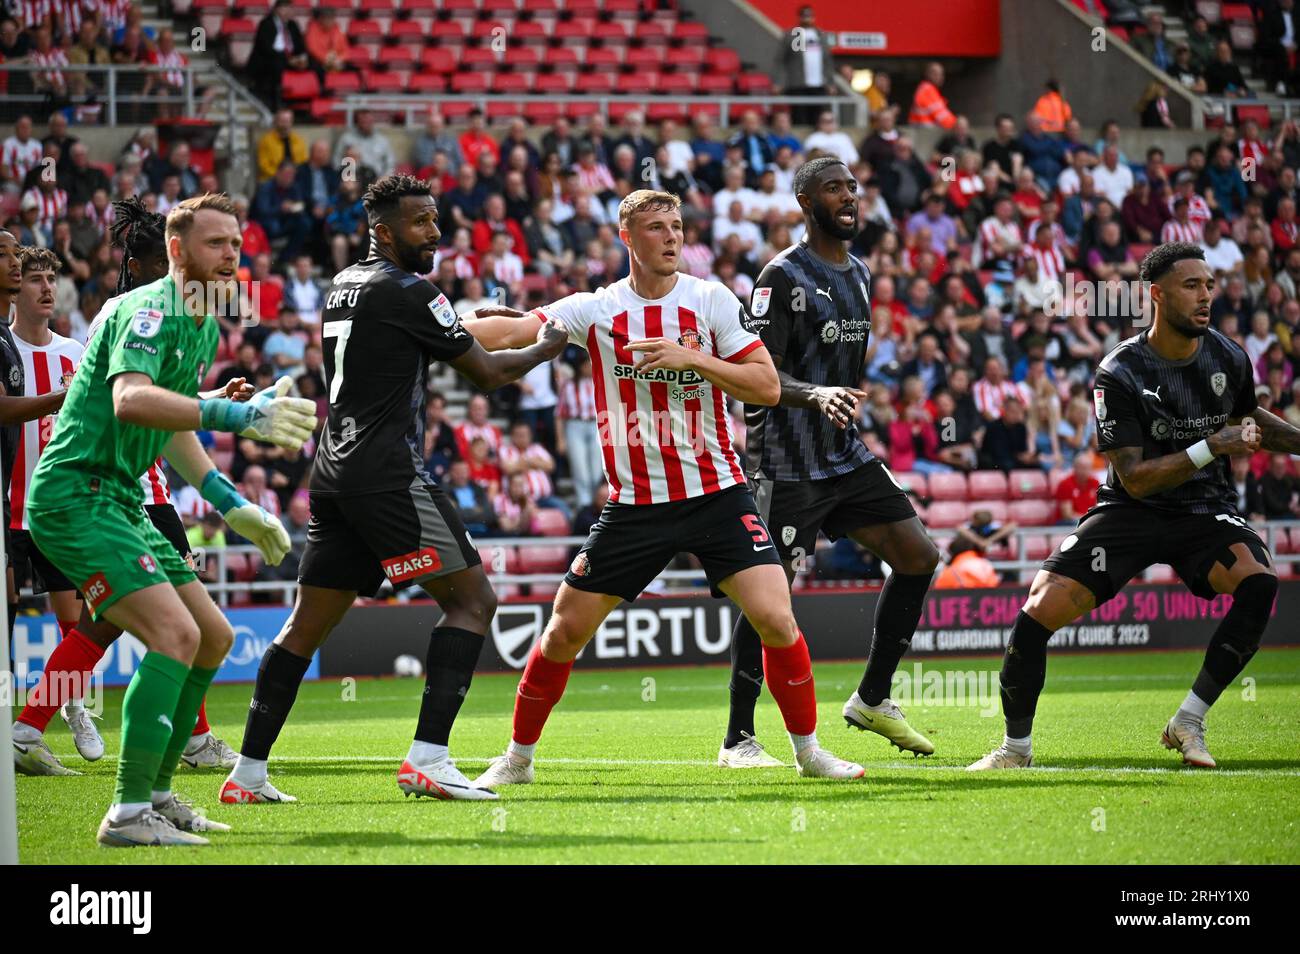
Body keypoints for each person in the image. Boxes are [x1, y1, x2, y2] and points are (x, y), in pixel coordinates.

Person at [464, 189, 868, 784]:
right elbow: (512, 330)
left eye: (677, 226)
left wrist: (692, 359)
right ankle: (518, 759)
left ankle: (810, 754)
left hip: (717, 493)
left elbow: (764, 386)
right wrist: (437, 323)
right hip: (636, 505)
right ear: (628, 237)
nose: (672, 237)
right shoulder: (595, 310)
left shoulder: (709, 300)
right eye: (657, 228)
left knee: (776, 618)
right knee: (564, 630)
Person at [220, 175, 568, 805]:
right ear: (383, 229)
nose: (435, 232)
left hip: (334, 471)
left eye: (436, 220)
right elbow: (486, 375)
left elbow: (420, 344)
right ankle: (429, 760)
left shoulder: (346, 285)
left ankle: (247, 774)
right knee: (473, 602)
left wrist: (473, 323)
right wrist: (546, 347)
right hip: (387, 473)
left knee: (303, 627)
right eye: (420, 223)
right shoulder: (411, 290)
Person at [21, 193, 312, 846]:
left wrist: (232, 503)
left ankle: (156, 796)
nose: (231, 255)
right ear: (177, 250)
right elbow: (130, 401)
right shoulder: (151, 310)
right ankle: (125, 815)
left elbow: (174, 424)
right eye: (216, 243)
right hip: (76, 495)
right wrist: (233, 415)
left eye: (236, 244)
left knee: (210, 634)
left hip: (120, 496)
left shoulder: (203, 323)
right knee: (175, 636)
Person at [970, 243, 1288, 771]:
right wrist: (1214, 445)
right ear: (1156, 295)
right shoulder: (1119, 370)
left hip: (1204, 510)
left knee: (1259, 584)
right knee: (1036, 612)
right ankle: (1015, 751)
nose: (1206, 294)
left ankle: (1188, 721)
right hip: (1131, 510)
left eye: (1209, 284)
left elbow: (1253, 419)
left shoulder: (1229, 357)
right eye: (1192, 286)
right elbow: (1136, 478)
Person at [718, 156, 941, 765]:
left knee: (919, 556)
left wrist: (836, 399)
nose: (849, 196)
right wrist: (814, 394)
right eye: (834, 188)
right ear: (805, 202)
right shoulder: (781, 277)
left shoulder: (862, 274)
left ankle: (872, 697)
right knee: (771, 600)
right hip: (787, 463)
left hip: (843, 455)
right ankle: (739, 737)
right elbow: (752, 373)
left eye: (853, 187)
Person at [780, 5, 835, 125]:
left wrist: (830, 82)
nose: (807, 19)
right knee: (799, 117)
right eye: (804, 16)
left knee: (817, 117)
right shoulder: (795, 34)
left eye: (810, 16)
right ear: (799, 18)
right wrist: (779, 82)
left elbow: (827, 61)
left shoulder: (820, 35)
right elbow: (786, 58)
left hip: (818, 84)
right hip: (798, 84)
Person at [250, 0, 307, 110]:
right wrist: (287, 59)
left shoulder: (293, 25)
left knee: (315, 65)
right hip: (269, 60)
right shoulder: (266, 24)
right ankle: (276, 103)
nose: (287, 11)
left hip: (291, 59)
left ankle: (308, 100)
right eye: (284, 8)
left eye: (290, 8)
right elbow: (265, 48)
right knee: (277, 64)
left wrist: (302, 58)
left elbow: (300, 46)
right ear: (276, 10)